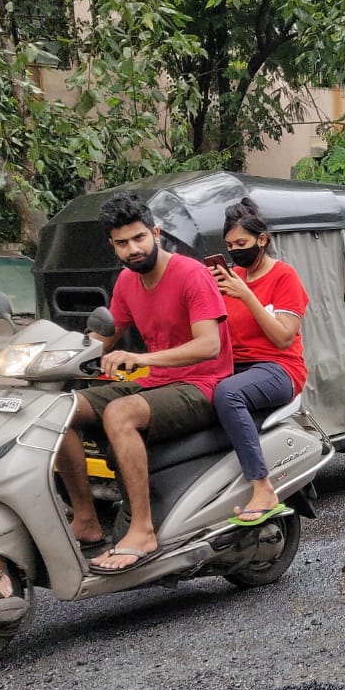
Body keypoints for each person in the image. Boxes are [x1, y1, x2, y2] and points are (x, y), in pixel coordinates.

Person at [56, 192, 232, 574]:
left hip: (204, 384)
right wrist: (52, 356)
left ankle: (142, 529)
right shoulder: (126, 282)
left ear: (156, 233)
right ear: (112, 245)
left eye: (139, 238)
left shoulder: (191, 274)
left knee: (119, 414)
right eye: (122, 243)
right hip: (157, 383)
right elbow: (102, 339)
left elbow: (209, 346)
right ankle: (86, 520)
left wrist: (141, 359)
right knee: (56, 410)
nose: (133, 249)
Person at [209, 198, 309, 524]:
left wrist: (247, 295)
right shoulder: (232, 277)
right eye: (229, 246)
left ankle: (263, 487)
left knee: (228, 393)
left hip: (279, 368)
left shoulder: (283, 276)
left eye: (242, 244)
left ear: (261, 240)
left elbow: (283, 337)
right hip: (236, 367)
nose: (235, 251)